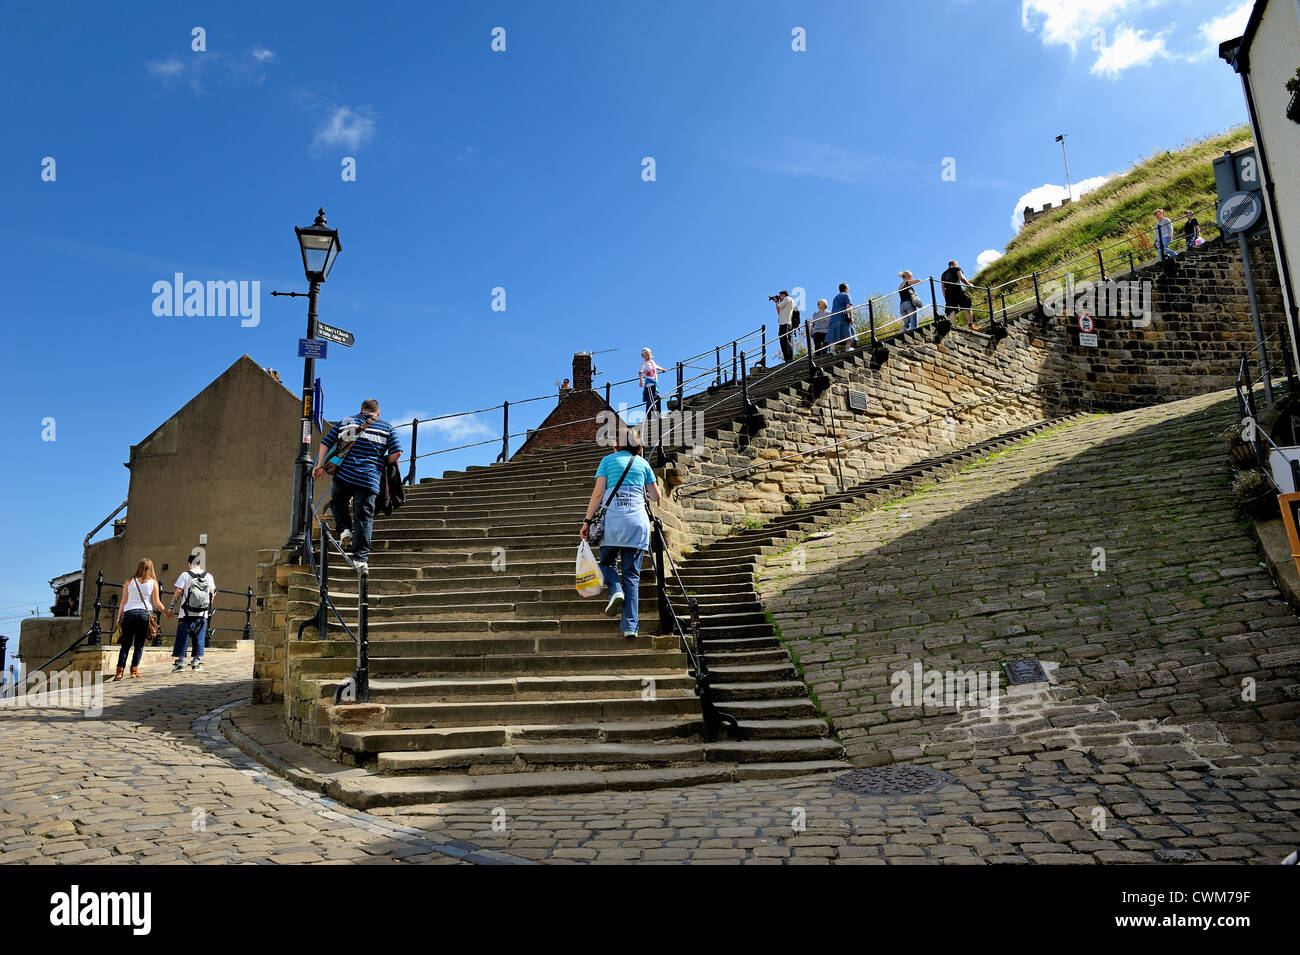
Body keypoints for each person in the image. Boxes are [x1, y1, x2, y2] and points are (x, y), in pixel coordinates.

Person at [580, 428, 660, 638]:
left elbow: (598, 494)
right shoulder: (643, 464)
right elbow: (656, 496)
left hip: (612, 524)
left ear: (618, 443)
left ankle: (615, 589)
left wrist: (587, 521)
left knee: (606, 563)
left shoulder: (607, 461)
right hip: (637, 525)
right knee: (632, 576)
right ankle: (630, 627)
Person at [312, 398, 403, 577]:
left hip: (344, 474)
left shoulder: (346, 422)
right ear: (378, 413)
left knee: (337, 502)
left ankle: (344, 530)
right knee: (364, 517)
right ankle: (360, 559)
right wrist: (381, 461)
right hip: (369, 478)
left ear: (361, 410)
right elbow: (397, 452)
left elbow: (325, 443)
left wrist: (320, 465)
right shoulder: (387, 427)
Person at [113, 558, 166, 681]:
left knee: (125, 645)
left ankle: (119, 672)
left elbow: (123, 601)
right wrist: (166, 611)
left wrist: (119, 616)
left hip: (129, 613)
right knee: (139, 644)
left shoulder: (129, 581)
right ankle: (134, 671)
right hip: (144, 614)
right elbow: (156, 602)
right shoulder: (153, 582)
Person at [168, 552, 214, 672]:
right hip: (202, 614)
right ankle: (196, 662)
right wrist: (207, 608)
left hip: (185, 613)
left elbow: (178, 591)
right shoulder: (208, 576)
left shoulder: (185, 575)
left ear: (189, 563)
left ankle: (180, 663)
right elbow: (212, 594)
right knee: (199, 638)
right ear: (200, 563)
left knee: (183, 637)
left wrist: (171, 606)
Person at [940, 260, 976, 327]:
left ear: (949, 265)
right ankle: (970, 325)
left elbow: (942, 287)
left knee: (951, 309)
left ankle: (952, 326)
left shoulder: (943, 274)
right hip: (956, 288)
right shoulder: (957, 268)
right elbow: (961, 278)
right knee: (967, 304)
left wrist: (945, 298)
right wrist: (968, 284)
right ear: (955, 264)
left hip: (948, 292)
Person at [639, 348, 667, 419]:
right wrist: (641, 381)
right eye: (645, 355)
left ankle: (655, 415)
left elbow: (656, 367)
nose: (647, 357)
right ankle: (654, 416)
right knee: (651, 400)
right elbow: (640, 372)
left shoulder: (652, 362)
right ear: (642, 356)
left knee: (656, 398)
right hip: (649, 384)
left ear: (651, 355)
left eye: (648, 355)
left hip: (655, 383)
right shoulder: (644, 363)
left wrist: (662, 369)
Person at [829, 283, 855, 352]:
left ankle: (832, 349)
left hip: (833, 317)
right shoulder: (846, 295)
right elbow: (849, 307)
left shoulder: (835, 298)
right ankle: (847, 347)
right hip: (842, 316)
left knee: (834, 333)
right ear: (846, 289)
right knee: (849, 331)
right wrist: (852, 318)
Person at [774, 291, 796, 363]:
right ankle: (789, 358)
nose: (780, 297)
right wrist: (777, 302)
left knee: (785, 341)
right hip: (787, 323)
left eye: (780, 296)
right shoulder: (788, 301)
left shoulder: (787, 299)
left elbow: (779, 306)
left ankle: (788, 359)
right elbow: (779, 312)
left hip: (784, 324)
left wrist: (777, 301)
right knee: (788, 341)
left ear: (784, 294)